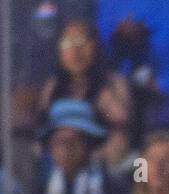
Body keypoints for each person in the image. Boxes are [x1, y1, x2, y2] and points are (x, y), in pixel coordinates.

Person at [39, 18, 135, 171]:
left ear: (95, 45)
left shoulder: (113, 84)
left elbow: (121, 137)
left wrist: (89, 161)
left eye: (81, 41)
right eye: (67, 43)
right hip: (57, 169)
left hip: (101, 168)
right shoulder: (52, 86)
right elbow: (42, 134)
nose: (75, 50)